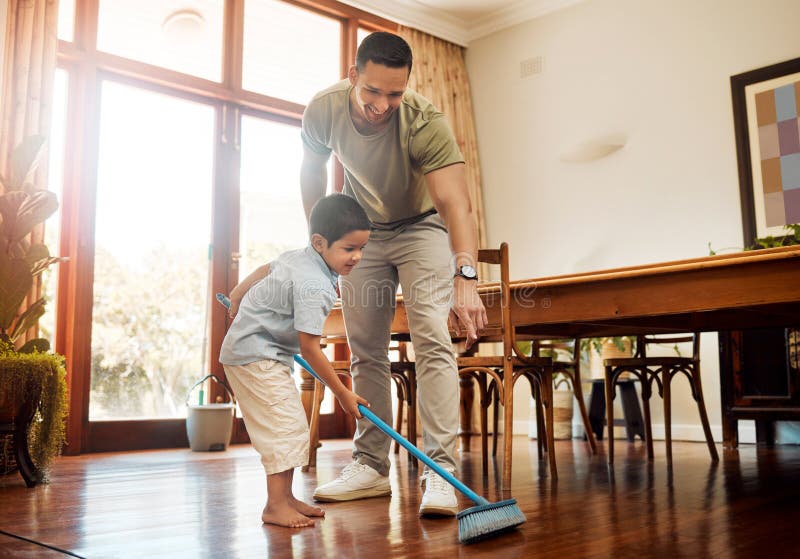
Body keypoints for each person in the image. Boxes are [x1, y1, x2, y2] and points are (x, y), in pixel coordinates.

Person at [300, 31, 487, 517]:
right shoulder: (324, 109)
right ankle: (370, 467)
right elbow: (312, 174)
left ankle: (440, 473)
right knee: (365, 347)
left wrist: (465, 273)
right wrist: (320, 246)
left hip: (421, 226)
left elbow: (454, 202)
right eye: (373, 92)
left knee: (431, 338)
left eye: (395, 93)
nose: (383, 104)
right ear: (352, 76)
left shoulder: (423, 121)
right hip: (362, 228)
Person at [219, 193, 371, 528]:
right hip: (254, 356)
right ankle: (275, 505)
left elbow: (264, 269)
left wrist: (236, 295)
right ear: (320, 242)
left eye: (362, 248)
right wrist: (343, 393)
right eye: (349, 249)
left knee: (289, 425)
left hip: (258, 351)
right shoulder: (314, 285)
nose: (357, 257)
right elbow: (310, 347)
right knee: (284, 428)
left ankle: (285, 498)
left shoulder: (300, 257)